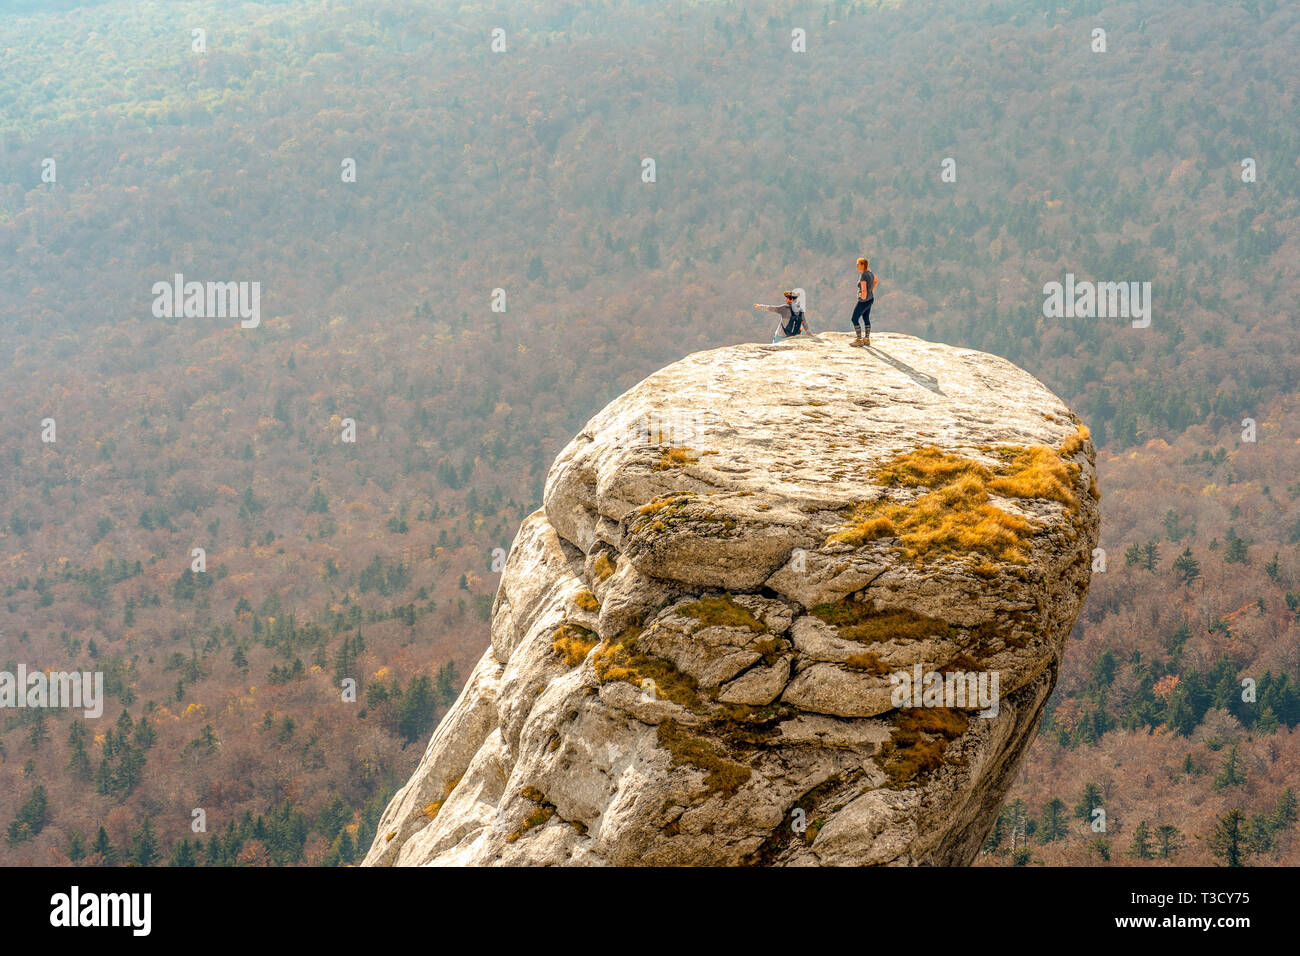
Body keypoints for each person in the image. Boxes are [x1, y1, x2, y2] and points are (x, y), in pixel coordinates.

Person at [850, 257, 878, 347]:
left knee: (854, 319)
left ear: (863, 265)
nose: (856, 266)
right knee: (866, 318)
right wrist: (871, 291)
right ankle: (866, 339)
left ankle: (859, 340)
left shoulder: (863, 276)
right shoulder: (870, 273)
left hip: (864, 301)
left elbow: (864, 289)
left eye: (858, 264)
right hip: (870, 299)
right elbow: (876, 281)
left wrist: (862, 296)